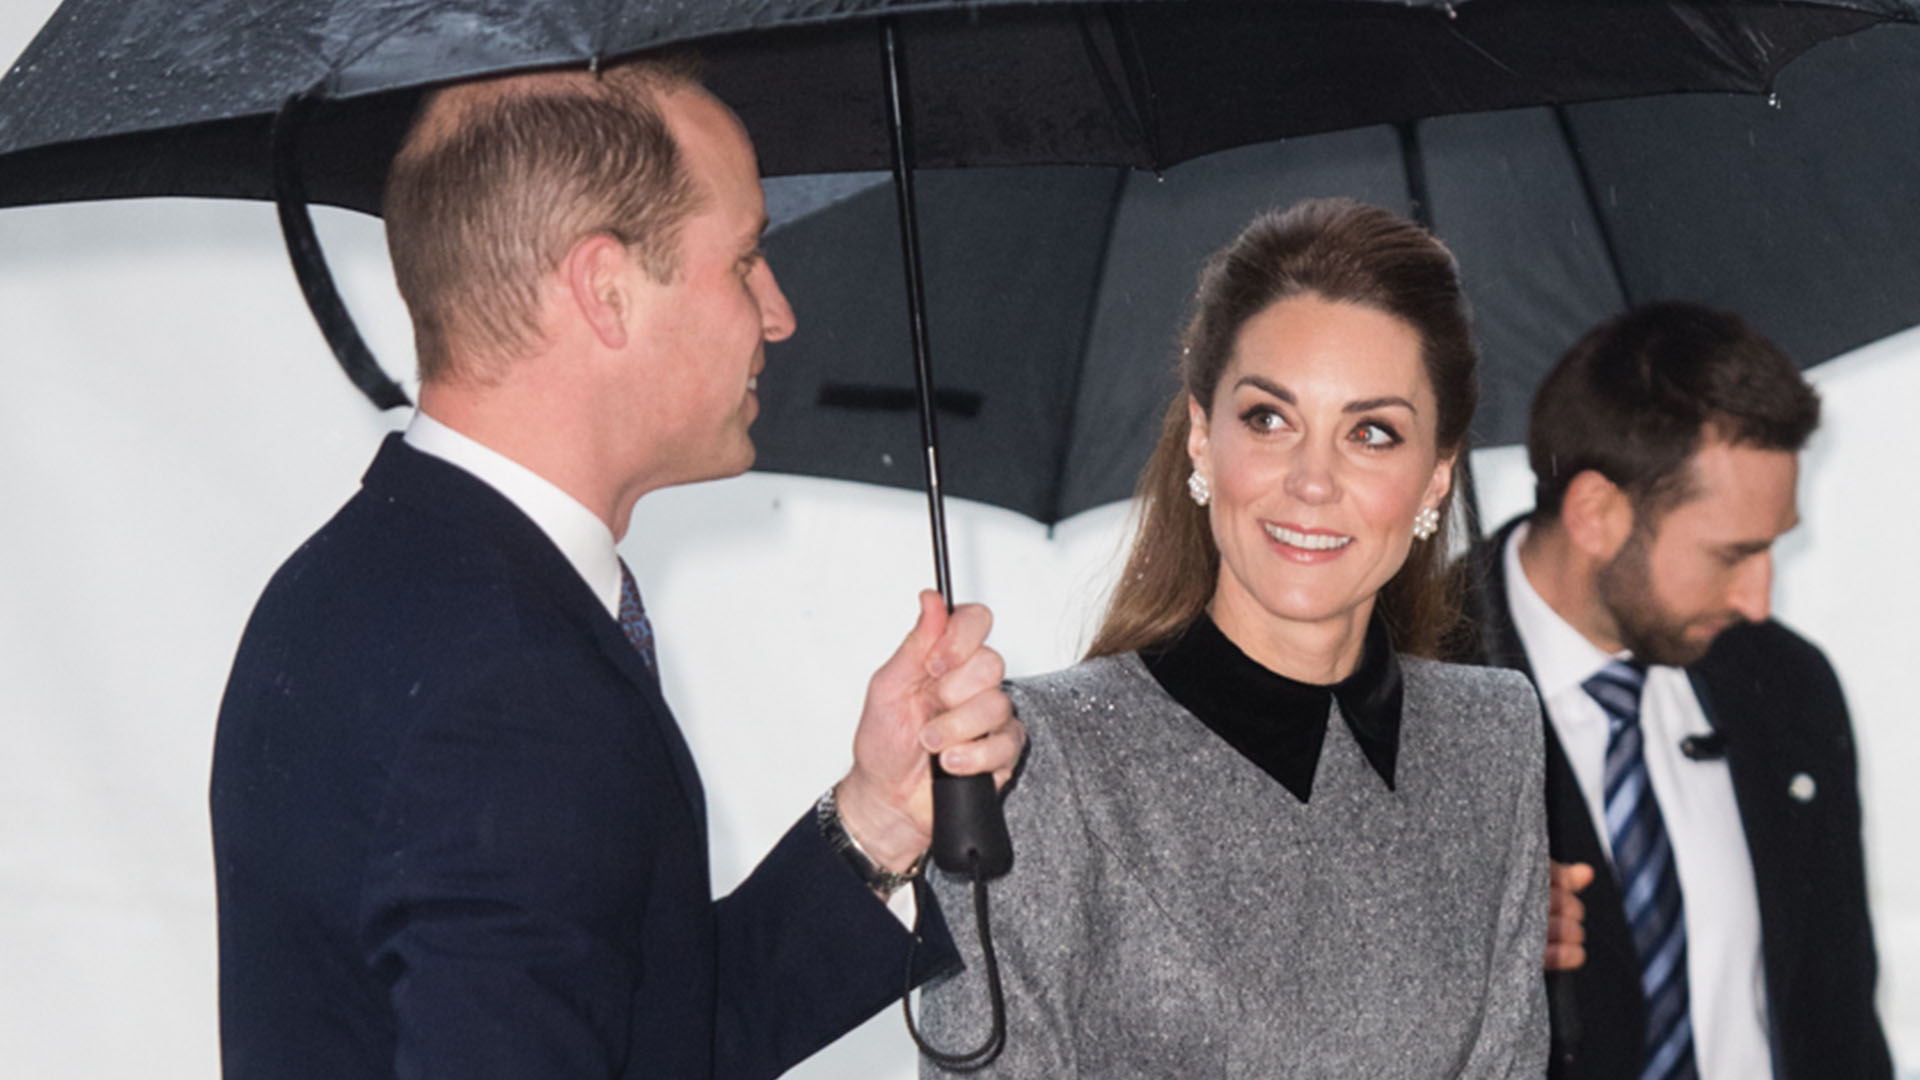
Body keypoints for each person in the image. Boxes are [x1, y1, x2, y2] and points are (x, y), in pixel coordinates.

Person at [208, 59, 1024, 1080]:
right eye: (745, 260)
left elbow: (642, 1037)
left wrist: (875, 822)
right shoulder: (508, 681)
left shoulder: (360, 585)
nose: (778, 314)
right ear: (606, 290)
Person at [918, 198, 1548, 1076]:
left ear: (1436, 475)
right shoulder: (1035, 761)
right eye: (1269, 418)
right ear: (1203, 442)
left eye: (1372, 433)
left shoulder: (1493, 735)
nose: (1313, 482)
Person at [1455, 302, 1891, 1080]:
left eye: (1773, 548)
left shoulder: (1786, 683)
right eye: (1732, 553)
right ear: (1596, 513)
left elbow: (1839, 1016)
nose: (1759, 598)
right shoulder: (1390, 702)